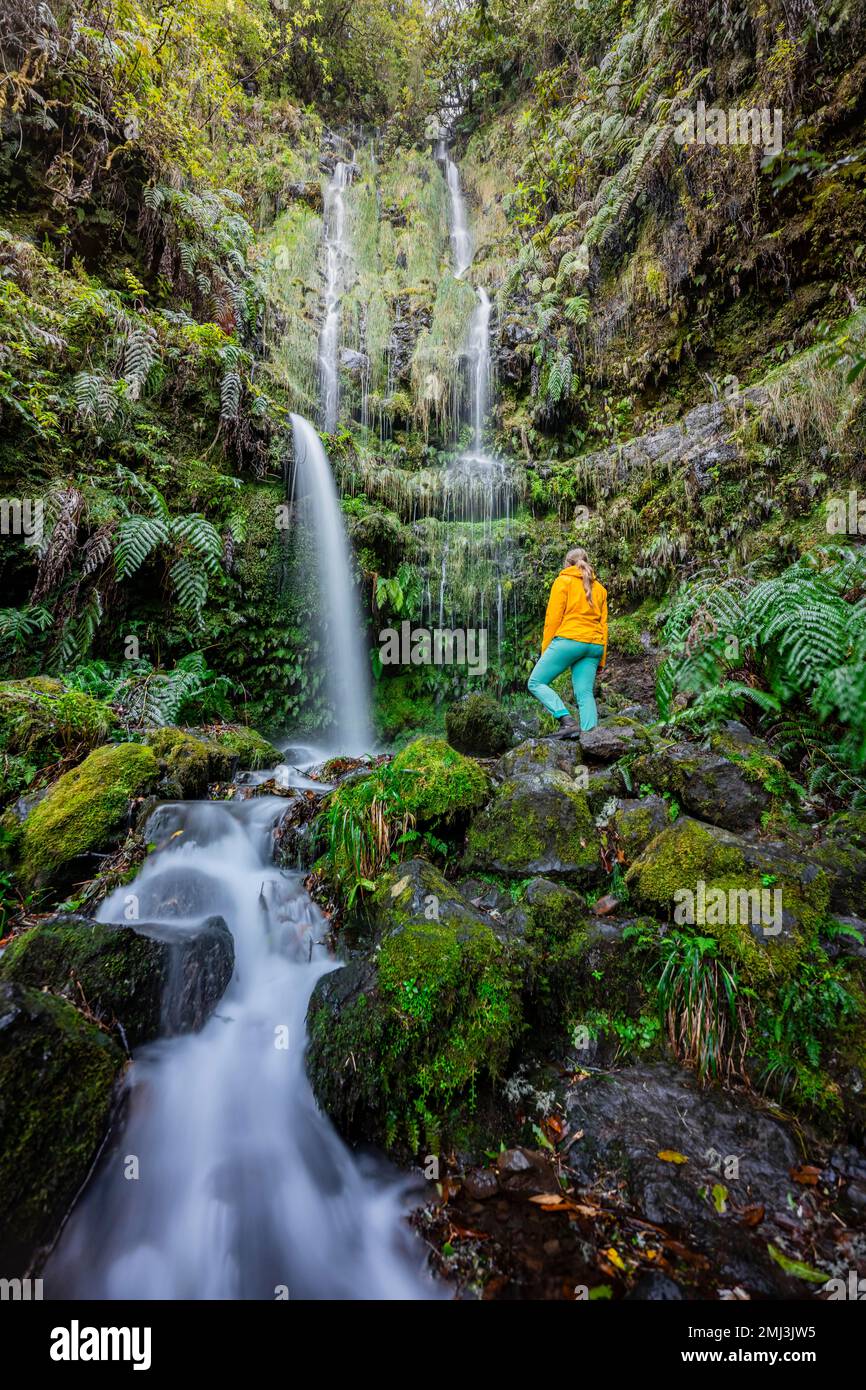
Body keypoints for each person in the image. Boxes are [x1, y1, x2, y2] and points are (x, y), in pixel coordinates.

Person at [527, 547, 608, 736]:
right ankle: (592, 738)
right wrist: (602, 659)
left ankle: (566, 720)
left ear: (567, 563)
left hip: (570, 640)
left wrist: (546, 650)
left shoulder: (563, 581)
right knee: (585, 694)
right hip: (594, 645)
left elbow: (552, 619)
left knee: (535, 682)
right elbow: (604, 626)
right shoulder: (601, 590)